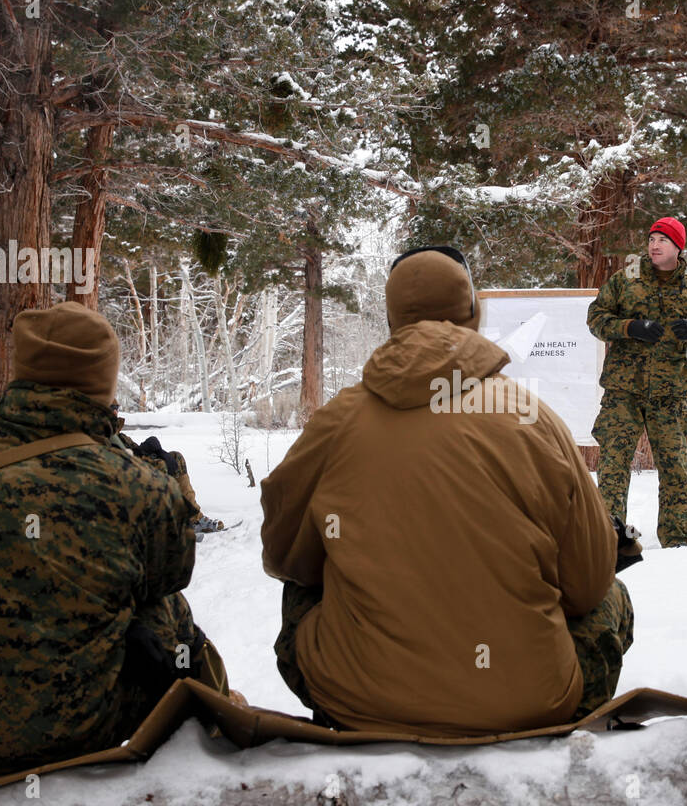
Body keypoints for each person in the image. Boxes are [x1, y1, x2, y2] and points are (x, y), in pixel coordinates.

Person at [261, 246, 634, 736]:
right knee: (612, 593)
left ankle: (363, 693)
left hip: (357, 700)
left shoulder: (337, 421)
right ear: (474, 316)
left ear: (392, 319)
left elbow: (286, 558)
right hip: (530, 702)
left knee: (303, 590)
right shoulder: (532, 418)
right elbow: (586, 583)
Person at [0, 302, 230, 781]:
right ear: (104, 382)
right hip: (70, 730)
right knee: (166, 610)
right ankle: (215, 745)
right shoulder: (142, 485)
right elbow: (169, 575)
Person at [587, 217, 687, 548]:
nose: (654, 245)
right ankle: (609, 540)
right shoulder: (625, 281)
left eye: (662, 240)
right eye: (651, 239)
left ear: (678, 247)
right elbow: (596, 319)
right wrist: (630, 327)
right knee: (612, 468)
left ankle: (676, 542)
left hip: (669, 395)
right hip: (623, 392)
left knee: (675, 469)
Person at [108, 405, 223, 534]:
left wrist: (155, 451)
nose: (115, 411)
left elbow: (134, 452)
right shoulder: (102, 435)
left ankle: (194, 519)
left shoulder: (121, 437)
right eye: (111, 407)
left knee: (176, 458)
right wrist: (148, 457)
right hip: (121, 480)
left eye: (117, 407)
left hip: (134, 471)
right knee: (159, 466)